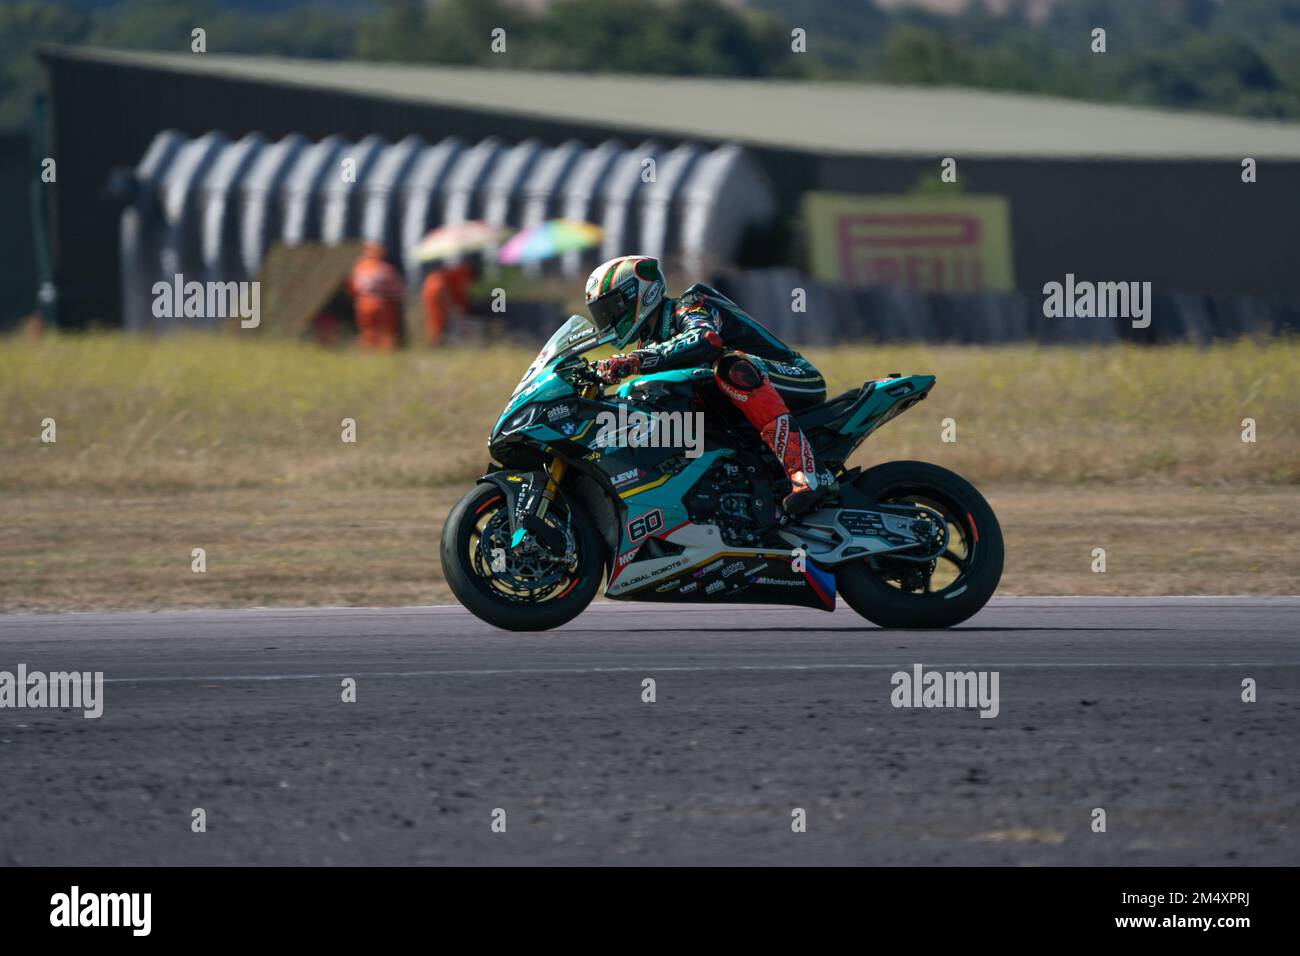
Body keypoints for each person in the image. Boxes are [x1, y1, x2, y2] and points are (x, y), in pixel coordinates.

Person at [584, 255, 837, 516]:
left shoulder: (691, 304)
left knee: (731, 367)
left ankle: (807, 472)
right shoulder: (649, 343)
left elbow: (704, 339)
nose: (608, 318)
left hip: (797, 376)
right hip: (744, 407)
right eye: (601, 312)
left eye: (611, 307)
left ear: (640, 294)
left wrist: (636, 361)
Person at [346, 242, 405, 350]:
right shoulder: (385, 268)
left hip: (362, 302)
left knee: (367, 330)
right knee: (387, 331)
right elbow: (398, 289)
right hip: (384, 304)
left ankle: (368, 352)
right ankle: (386, 354)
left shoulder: (359, 267)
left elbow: (352, 286)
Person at [420, 260, 476, 347]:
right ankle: (439, 342)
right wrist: (451, 306)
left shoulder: (434, 278)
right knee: (439, 323)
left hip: (439, 305)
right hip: (441, 306)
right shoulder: (441, 277)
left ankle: (438, 341)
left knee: (437, 323)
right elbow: (441, 290)